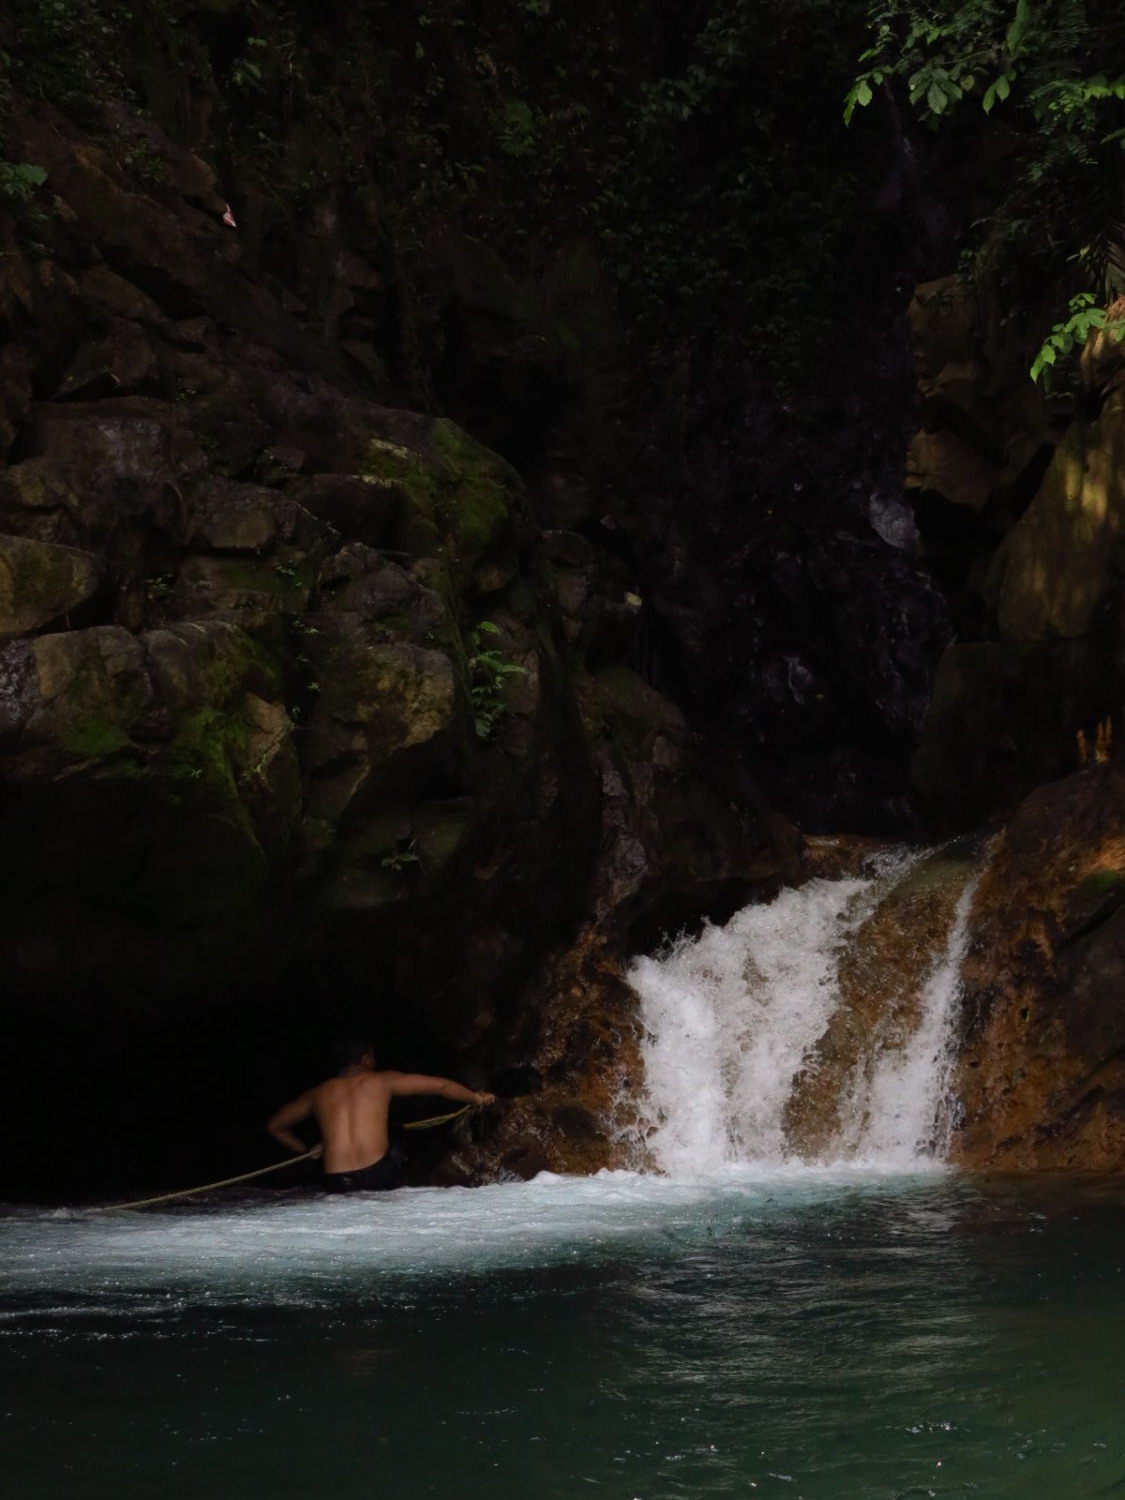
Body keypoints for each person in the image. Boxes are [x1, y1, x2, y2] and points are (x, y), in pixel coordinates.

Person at [266, 1041, 495, 1193]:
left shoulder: (317, 1093)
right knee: (395, 1131)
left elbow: (276, 1127)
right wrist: (475, 1098)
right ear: (366, 1058)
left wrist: (307, 1150)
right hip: (377, 1173)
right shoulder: (381, 1081)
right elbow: (440, 1085)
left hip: (337, 1179)